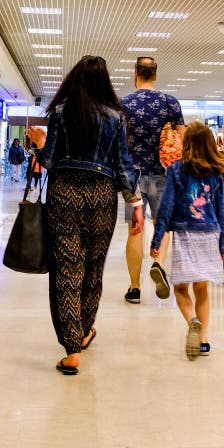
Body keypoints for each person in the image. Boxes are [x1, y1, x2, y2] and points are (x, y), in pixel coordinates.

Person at [26, 55, 143, 375]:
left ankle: (72, 347)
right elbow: (123, 167)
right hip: (102, 198)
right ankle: (85, 328)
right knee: (93, 268)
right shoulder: (116, 117)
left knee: (66, 269)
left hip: (64, 195)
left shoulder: (62, 113)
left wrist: (38, 144)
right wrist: (135, 204)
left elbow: (48, 160)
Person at [150, 122, 224, 360]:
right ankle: (204, 340)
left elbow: (166, 206)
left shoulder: (176, 169)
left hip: (186, 234)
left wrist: (158, 239)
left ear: (186, 144)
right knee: (202, 289)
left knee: (180, 289)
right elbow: (221, 211)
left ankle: (192, 321)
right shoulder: (216, 173)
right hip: (209, 233)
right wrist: (223, 242)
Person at [120, 56, 184, 304]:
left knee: (134, 231)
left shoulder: (123, 104)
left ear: (135, 73)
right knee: (162, 225)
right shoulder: (170, 102)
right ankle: (157, 263)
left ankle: (134, 288)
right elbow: (182, 140)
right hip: (162, 173)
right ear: (155, 75)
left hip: (132, 175)